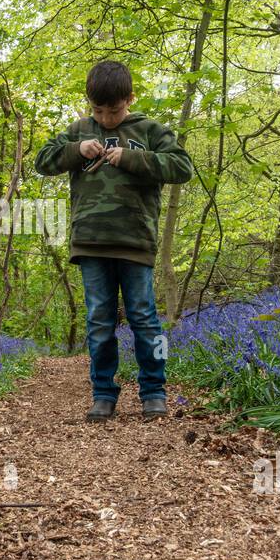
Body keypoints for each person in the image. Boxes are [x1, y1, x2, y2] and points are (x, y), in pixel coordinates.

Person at [33, 60, 194, 420]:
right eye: (98, 110)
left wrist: (133, 158)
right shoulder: (78, 130)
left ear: (130, 99)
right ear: (89, 104)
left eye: (114, 110)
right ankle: (103, 393)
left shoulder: (151, 130)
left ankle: (154, 391)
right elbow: (42, 162)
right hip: (90, 242)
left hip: (136, 241)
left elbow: (182, 167)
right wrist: (76, 151)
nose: (106, 118)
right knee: (99, 320)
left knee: (144, 318)